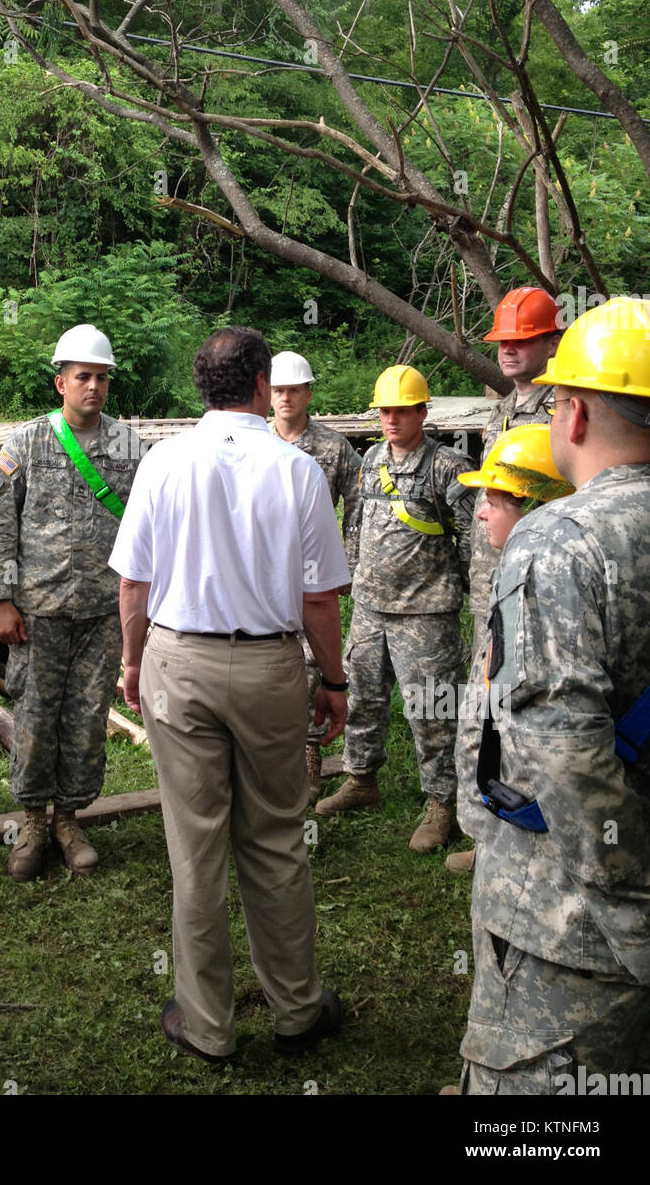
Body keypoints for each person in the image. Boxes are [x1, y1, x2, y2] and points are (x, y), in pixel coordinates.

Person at [110, 326, 350, 1063]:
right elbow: (317, 597)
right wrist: (332, 678)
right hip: (269, 667)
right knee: (277, 839)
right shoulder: (296, 468)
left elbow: (133, 582)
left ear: (198, 388)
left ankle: (208, 1026)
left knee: (195, 847)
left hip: (178, 661)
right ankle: (296, 1010)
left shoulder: (163, 461)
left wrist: (132, 661)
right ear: (258, 385)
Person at [457, 296, 650, 1094]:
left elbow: (565, 758)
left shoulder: (561, 540)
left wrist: (636, 918)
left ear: (568, 413)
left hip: (570, 934)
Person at [0, 324, 142, 879]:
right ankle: (31, 821)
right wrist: (0, 599)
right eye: (82, 377)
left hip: (102, 611)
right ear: (60, 383)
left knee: (87, 716)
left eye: (101, 377)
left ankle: (70, 817)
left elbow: (148, 524)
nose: (93, 387)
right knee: (35, 714)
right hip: (38, 610)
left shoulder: (126, 444)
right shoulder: (26, 442)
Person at [316, 365, 476, 853]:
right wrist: (354, 569)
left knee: (431, 712)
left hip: (426, 613)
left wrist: (469, 588)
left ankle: (441, 803)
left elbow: (469, 533)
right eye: (384, 410)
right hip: (370, 608)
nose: (391, 419)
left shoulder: (446, 466)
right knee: (361, 697)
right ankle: (361, 778)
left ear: (422, 412)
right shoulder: (369, 461)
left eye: (401, 410)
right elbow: (357, 522)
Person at [446, 425, 572, 876]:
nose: (481, 515)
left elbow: (516, 707)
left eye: (494, 502)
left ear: (530, 508)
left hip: (529, 817)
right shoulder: (516, 571)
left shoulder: (535, 588)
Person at [269, 350, 362, 803]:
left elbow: (359, 503)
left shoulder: (332, 448)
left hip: (312, 576)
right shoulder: (255, 443)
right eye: (278, 390)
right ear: (268, 395)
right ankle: (272, 759)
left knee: (312, 664)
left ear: (308, 393)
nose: (286, 398)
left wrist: (349, 563)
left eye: (294, 390)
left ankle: (309, 760)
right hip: (264, 578)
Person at [468, 287, 561, 658]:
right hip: (488, 576)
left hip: (536, 579)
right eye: (503, 340)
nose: (508, 349)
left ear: (552, 343)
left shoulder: (564, 410)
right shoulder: (501, 409)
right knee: (485, 689)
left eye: (521, 340)